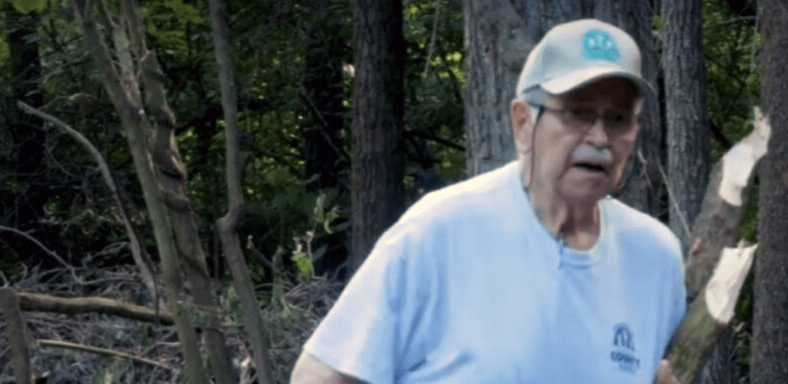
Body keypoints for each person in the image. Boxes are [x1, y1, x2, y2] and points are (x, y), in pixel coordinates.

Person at [291, 19, 685, 384]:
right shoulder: (441, 230)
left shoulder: (654, 256)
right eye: (578, 114)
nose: (600, 138)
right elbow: (317, 377)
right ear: (522, 123)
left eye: (618, 119)